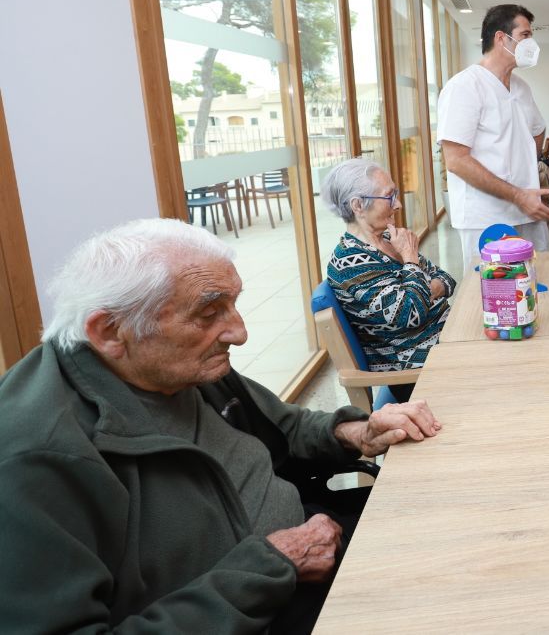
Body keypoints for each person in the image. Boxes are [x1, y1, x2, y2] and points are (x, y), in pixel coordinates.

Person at [0, 219, 443, 633]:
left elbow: (286, 426)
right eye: (209, 312)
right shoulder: (37, 458)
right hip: (267, 607)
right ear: (111, 331)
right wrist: (271, 566)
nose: (239, 332)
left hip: (310, 541)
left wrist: (357, 432)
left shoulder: (175, 365)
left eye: (234, 304)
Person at [322, 157, 456, 402]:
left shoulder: (388, 239)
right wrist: (410, 260)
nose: (399, 204)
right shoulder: (350, 262)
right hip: (416, 369)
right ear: (358, 205)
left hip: (444, 342)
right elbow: (410, 313)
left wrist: (420, 288)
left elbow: (447, 280)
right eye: (390, 196)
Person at [438, 3, 549, 261]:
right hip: (486, 218)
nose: (531, 43)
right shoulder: (465, 86)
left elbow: (537, 129)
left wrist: (524, 168)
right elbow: (456, 161)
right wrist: (516, 194)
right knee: (495, 293)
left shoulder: (521, 87)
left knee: (537, 283)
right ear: (501, 38)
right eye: (525, 35)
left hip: (527, 211)